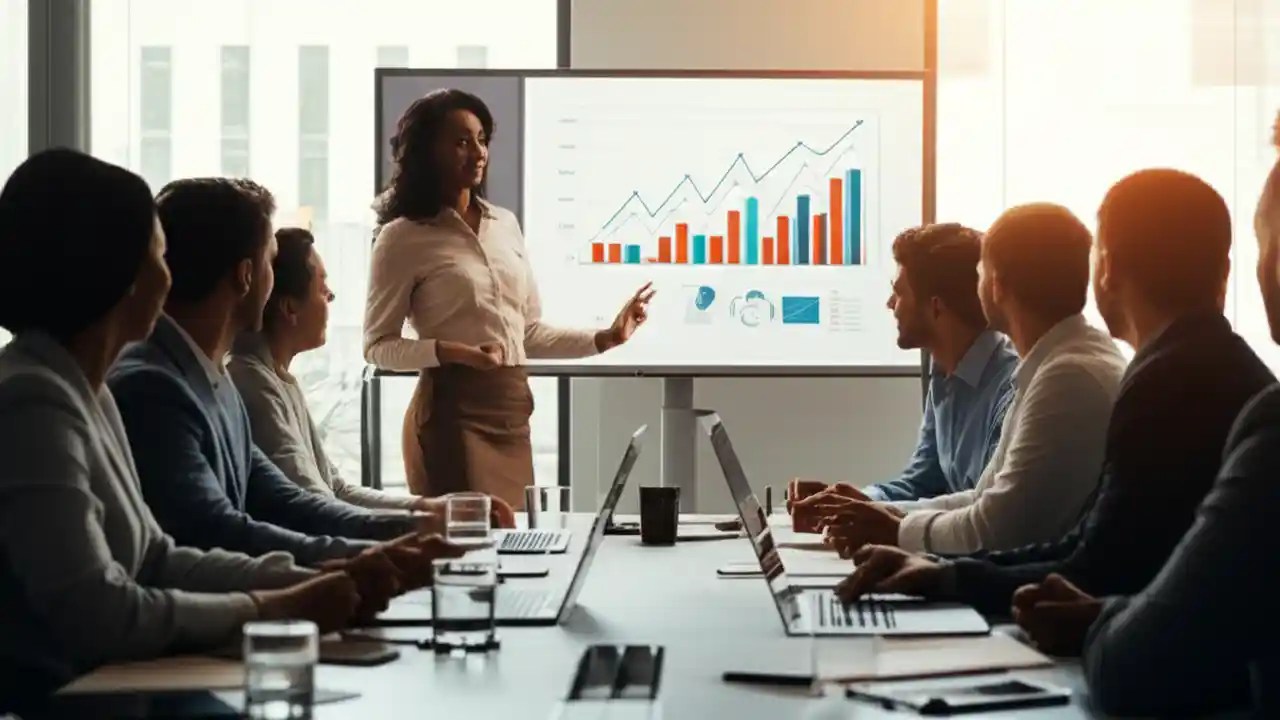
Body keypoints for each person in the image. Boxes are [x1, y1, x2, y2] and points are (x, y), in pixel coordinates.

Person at [836, 170, 1274, 635]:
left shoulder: (1098, 378)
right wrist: (927, 556)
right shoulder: (1077, 367)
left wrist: (918, 550)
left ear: (1103, 269)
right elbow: (1072, 539)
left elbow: (1066, 551)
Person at [0, 150, 363, 707]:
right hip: (71, 698)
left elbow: (154, 557)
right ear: (117, 272)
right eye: (159, 257)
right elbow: (99, 612)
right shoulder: (34, 399)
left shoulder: (84, 387)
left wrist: (305, 578)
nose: (170, 280)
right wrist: (274, 607)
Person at [1015, 116, 1280, 717]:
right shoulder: (1200, 369)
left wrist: (1101, 619)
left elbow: (1139, 662)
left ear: (1104, 268)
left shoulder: (1189, 387)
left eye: (1272, 243)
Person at [109, 178, 430, 566]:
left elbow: (281, 499)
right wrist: (373, 555)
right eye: (269, 261)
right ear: (246, 275)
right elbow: (217, 531)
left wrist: (414, 531)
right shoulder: (154, 388)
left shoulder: (213, 377)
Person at [365, 88, 655, 507]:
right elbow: (378, 347)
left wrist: (605, 338)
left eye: (482, 139)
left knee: (516, 549)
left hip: (512, 414)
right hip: (450, 418)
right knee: (471, 552)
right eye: (462, 141)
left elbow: (528, 332)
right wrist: (451, 352)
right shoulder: (402, 237)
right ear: (429, 150)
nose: (478, 152)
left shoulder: (505, 224)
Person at [818, 204, 1126, 556]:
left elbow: (994, 528)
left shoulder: (1066, 379)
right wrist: (879, 513)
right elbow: (983, 497)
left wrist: (898, 530)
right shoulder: (1052, 366)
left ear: (995, 285)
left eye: (980, 272)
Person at [229, 227, 515, 525]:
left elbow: (336, 489)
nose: (330, 297)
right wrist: (420, 522)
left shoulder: (278, 380)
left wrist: (432, 509)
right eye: (322, 288)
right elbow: (314, 506)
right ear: (290, 307)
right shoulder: (254, 386)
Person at [787, 223, 1018, 530]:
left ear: (936, 307)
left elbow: (985, 509)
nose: (890, 305)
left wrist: (874, 513)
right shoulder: (944, 373)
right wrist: (853, 502)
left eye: (898, 292)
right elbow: (923, 482)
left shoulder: (1011, 390)